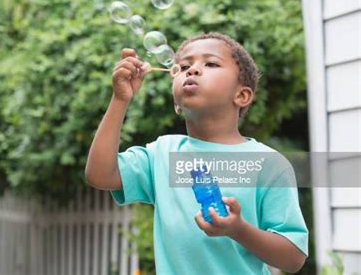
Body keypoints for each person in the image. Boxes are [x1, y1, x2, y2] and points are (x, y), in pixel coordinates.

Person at [85, 32, 308, 274]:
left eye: (211, 63)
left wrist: (238, 229)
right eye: (183, 66)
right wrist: (120, 99)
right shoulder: (163, 153)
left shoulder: (269, 165)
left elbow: (293, 258)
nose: (192, 71)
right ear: (176, 103)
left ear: (241, 95)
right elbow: (100, 175)